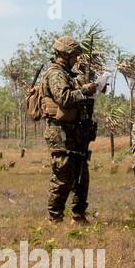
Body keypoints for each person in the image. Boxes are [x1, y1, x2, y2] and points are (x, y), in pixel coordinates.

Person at [39, 35, 98, 222]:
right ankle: (55, 218)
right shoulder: (56, 74)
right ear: (65, 55)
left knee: (81, 175)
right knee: (63, 175)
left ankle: (78, 216)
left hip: (74, 132)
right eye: (74, 56)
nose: (76, 60)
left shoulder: (68, 75)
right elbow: (63, 98)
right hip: (61, 133)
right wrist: (84, 91)